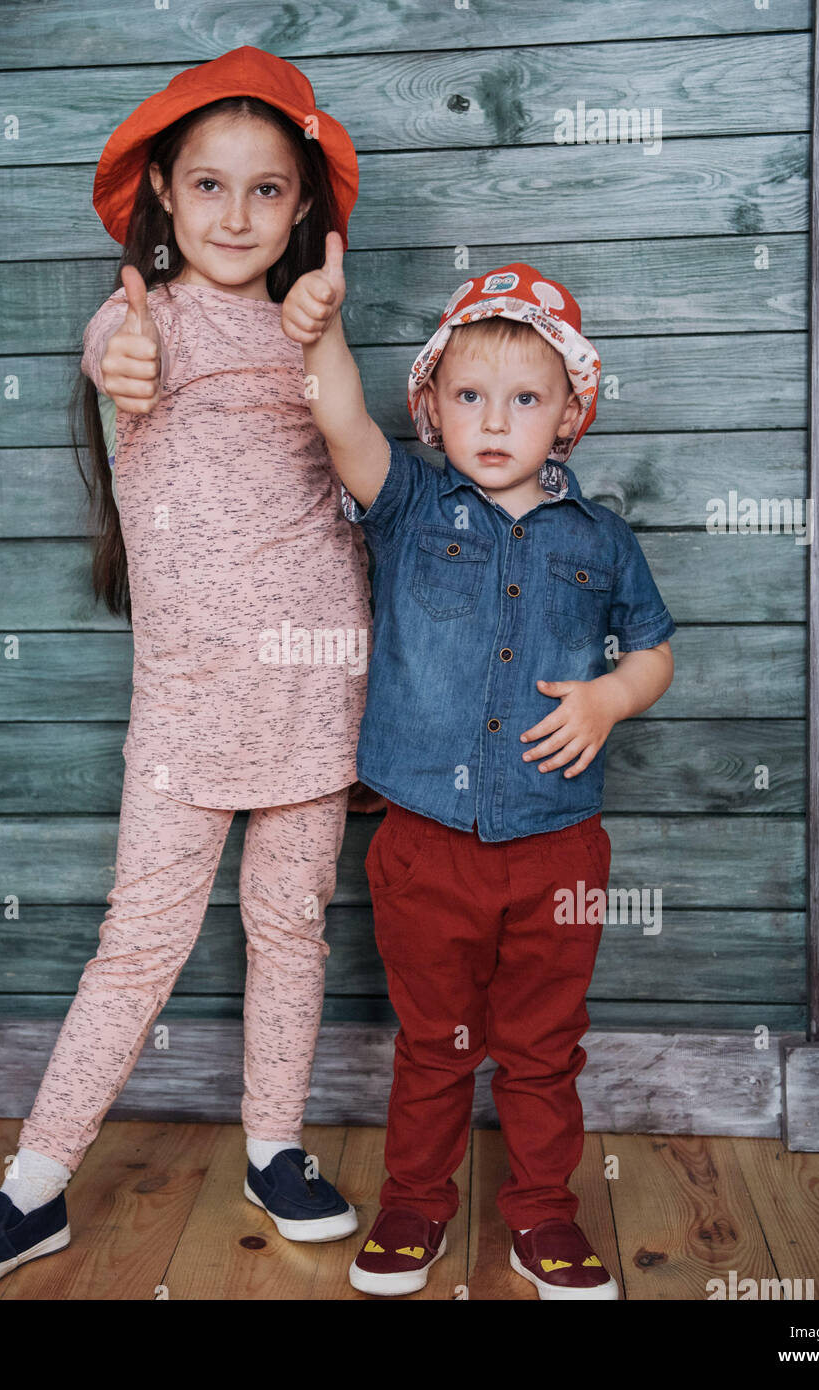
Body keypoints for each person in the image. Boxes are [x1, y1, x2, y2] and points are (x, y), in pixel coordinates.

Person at [0, 46, 376, 1295]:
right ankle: (35, 1184)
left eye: (267, 190)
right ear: (163, 193)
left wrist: (321, 342)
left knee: (290, 929)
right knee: (138, 943)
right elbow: (116, 354)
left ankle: (275, 1146)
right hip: (188, 699)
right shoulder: (138, 318)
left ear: (301, 207)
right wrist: (123, 353)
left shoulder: (311, 325)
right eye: (208, 186)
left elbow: (361, 460)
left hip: (318, 676)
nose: (236, 215)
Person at [282, 244, 676, 1299]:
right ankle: (413, 1204)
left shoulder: (600, 538)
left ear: (568, 416)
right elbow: (336, 419)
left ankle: (544, 1215)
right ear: (432, 407)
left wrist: (609, 698)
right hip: (422, 845)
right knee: (434, 1041)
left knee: (544, 1047)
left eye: (522, 398)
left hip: (558, 843)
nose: (493, 421)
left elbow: (652, 649)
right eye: (468, 394)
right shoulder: (410, 505)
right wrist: (319, 322)